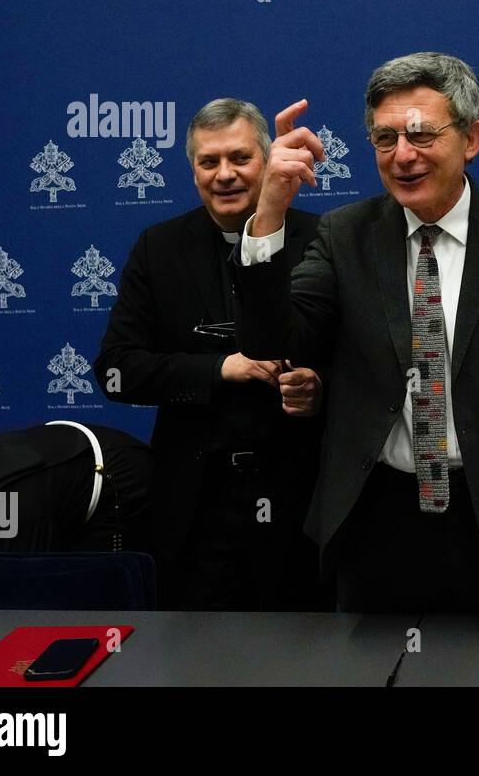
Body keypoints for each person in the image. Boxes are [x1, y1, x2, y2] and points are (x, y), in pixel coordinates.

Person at [233, 52, 479, 654]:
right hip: (376, 525)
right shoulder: (344, 235)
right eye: (385, 138)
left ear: (472, 138)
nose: (402, 153)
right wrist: (270, 209)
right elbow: (274, 342)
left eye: (421, 134)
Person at [95, 98, 327, 611]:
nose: (225, 175)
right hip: (196, 510)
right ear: (192, 170)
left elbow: (365, 366)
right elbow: (116, 370)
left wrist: (318, 388)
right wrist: (221, 368)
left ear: (267, 160)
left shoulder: (322, 240)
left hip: (302, 507)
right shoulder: (158, 248)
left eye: (240, 158)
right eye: (209, 161)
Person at [0, 422, 153, 601]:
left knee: (94, 599)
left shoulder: (3, 526)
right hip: (52, 471)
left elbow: (26, 598)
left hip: (118, 474)